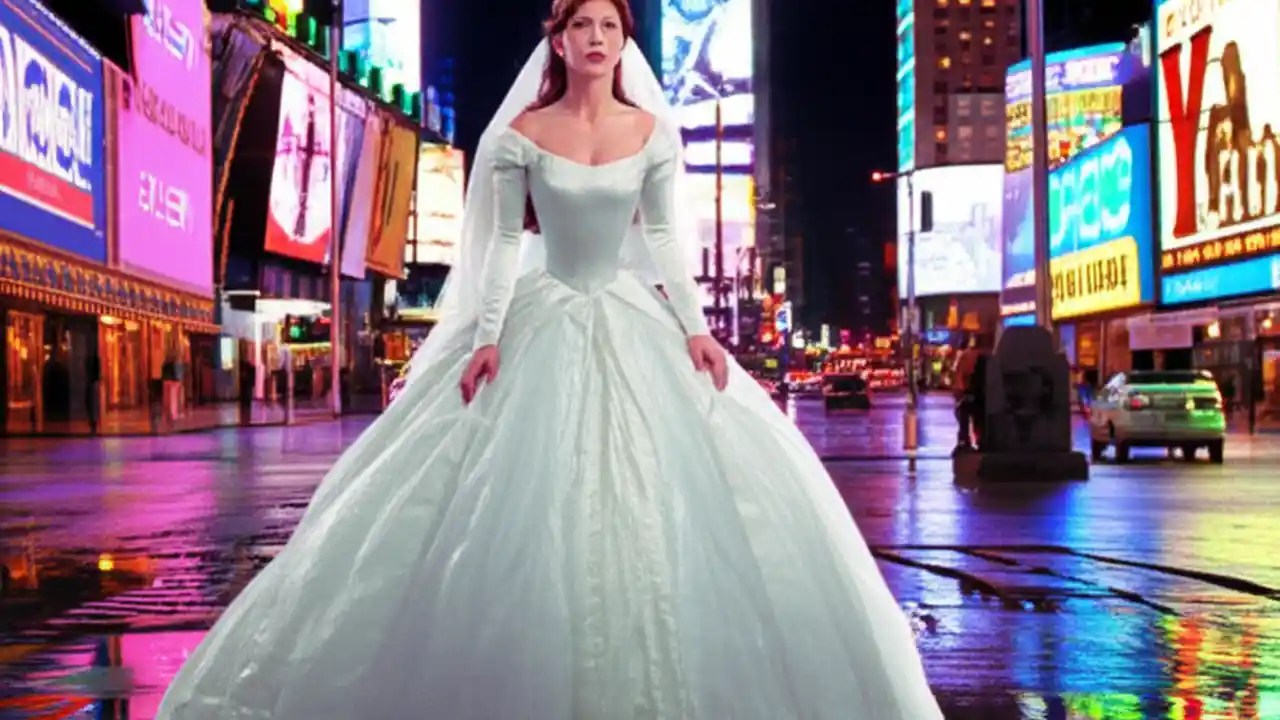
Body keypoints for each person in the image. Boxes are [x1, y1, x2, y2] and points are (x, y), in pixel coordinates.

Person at [157, 1, 943, 717]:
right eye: (581, 27)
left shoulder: (651, 132)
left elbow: (665, 237)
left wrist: (697, 327)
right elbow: (501, 243)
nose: (595, 39)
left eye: (608, 25)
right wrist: (489, 333)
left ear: (622, 38)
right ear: (557, 40)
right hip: (544, 315)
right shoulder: (520, 136)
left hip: (633, 319)